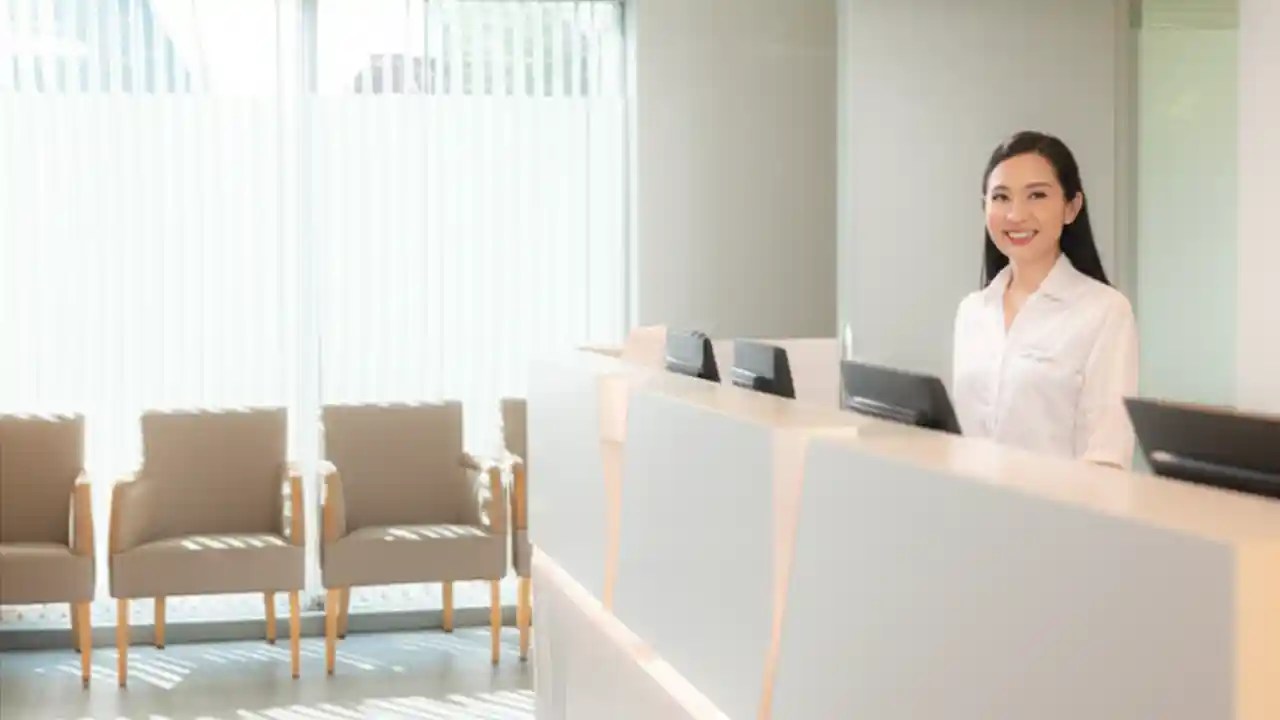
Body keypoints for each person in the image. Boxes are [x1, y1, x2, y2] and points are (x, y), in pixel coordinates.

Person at [952, 131, 1139, 468]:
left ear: (1071, 207)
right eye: (1001, 197)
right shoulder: (972, 312)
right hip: (972, 511)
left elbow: (1108, 455)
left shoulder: (1105, 311)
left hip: (1057, 516)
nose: (1016, 214)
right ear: (985, 208)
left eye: (1037, 195)